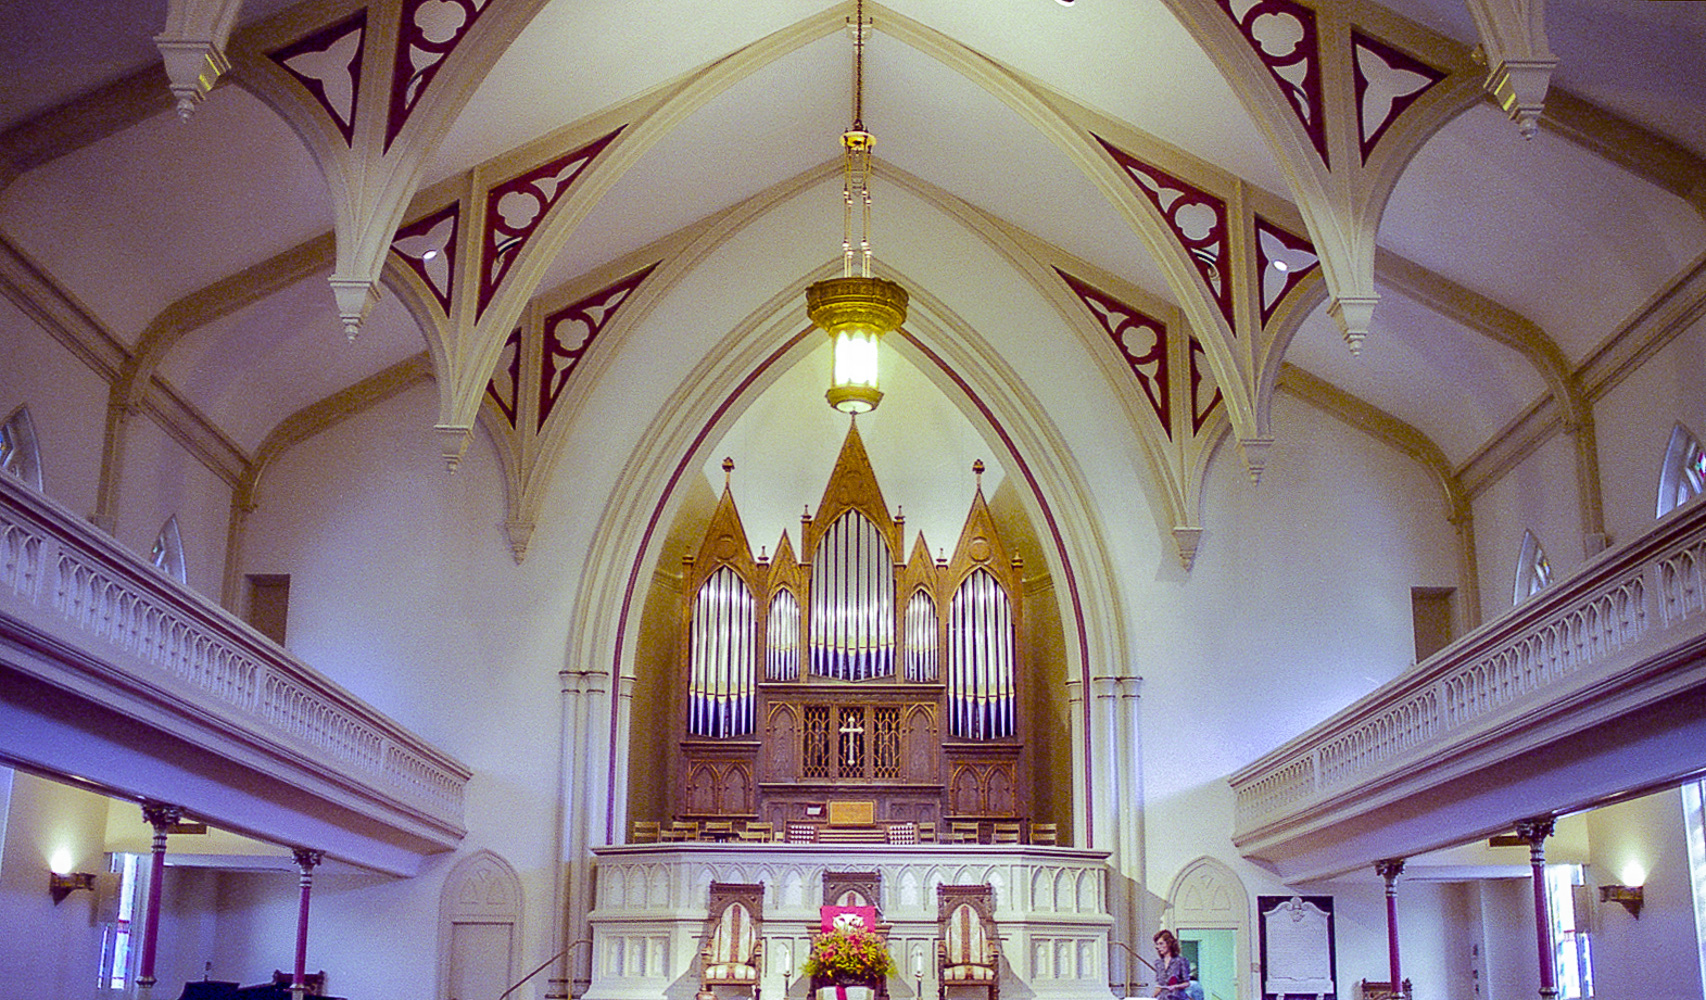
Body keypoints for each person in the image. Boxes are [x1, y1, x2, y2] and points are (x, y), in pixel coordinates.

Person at [1152, 929, 1191, 1000]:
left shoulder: (1181, 961)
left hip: (1178, 997)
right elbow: (1159, 985)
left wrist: (1176, 986)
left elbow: (1187, 983)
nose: (1158, 947)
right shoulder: (1158, 963)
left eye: (1161, 943)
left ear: (1169, 944)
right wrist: (1152, 997)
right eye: (1157, 944)